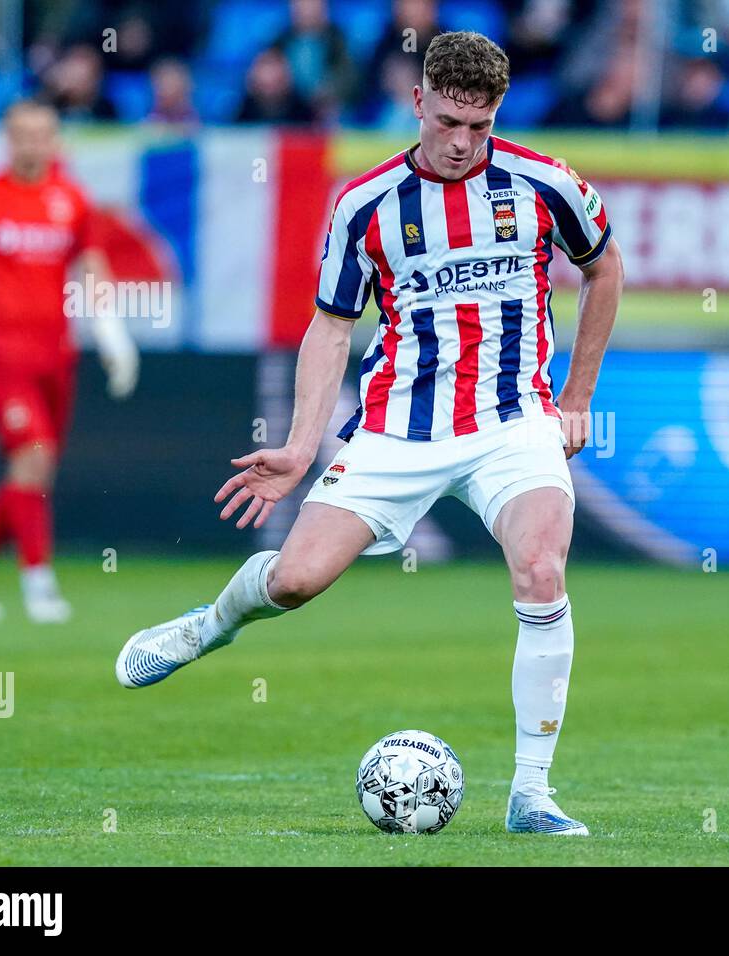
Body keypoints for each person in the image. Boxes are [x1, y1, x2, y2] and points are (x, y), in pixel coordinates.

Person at [115, 31, 624, 837]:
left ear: (497, 114)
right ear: (418, 102)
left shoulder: (544, 182)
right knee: (293, 583)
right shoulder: (365, 205)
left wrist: (577, 397)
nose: (462, 143)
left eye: (480, 127)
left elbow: (605, 267)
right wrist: (299, 441)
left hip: (513, 418)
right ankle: (208, 626)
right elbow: (329, 326)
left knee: (539, 567)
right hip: (397, 425)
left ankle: (532, 793)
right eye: (449, 121)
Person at [0, 99, 139, 623]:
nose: (30, 143)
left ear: (55, 140)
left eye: (40, 133)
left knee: (34, 472)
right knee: (33, 460)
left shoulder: (72, 199)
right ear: (8, 139)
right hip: (3, 354)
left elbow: (93, 265)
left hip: (57, 355)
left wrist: (112, 332)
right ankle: (38, 581)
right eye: (21, 133)